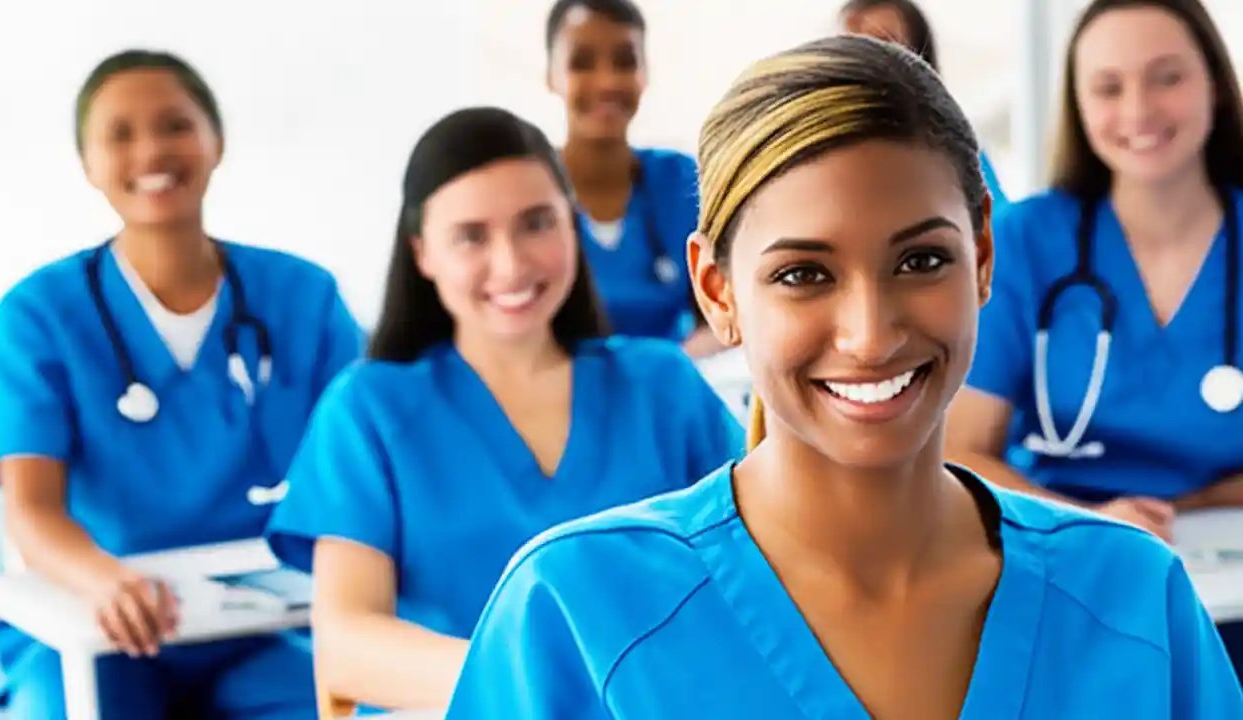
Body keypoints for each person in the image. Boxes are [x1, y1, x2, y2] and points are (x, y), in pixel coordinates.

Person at [444, 35, 1242, 719]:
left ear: (984, 259)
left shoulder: (1136, 601)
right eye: (802, 275)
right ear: (717, 291)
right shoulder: (574, 613)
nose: (870, 335)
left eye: (922, 260)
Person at [264, 106, 744, 713]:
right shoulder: (368, 411)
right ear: (422, 253)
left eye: (537, 223)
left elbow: (758, 570)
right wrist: (549, 688)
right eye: (471, 236)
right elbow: (349, 644)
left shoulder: (662, 384)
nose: (512, 264)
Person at [0, 50, 364, 719]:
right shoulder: (38, 314)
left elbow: (357, 480)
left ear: (216, 142)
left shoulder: (306, 297)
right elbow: (31, 512)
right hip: (97, 615)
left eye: (175, 125)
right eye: (119, 133)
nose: (152, 149)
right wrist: (106, 580)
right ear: (88, 165)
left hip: (263, 627)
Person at [945, 0, 1243, 676]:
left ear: (1216, 86)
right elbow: (962, 451)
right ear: (1078, 104)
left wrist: (1179, 510)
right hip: (1062, 568)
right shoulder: (1026, 243)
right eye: (1108, 87)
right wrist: (1099, 523)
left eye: (1167, 77)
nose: (1138, 110)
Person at [544, 0, 721, 355]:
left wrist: (666, 373)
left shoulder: (682, 181)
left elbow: (723, 313)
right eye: (581, 62)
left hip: (668, 395)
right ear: (551, 75)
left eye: (625, 62)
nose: (607, 82)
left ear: (646, 72)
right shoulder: (523, 190)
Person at [837, 0, 1010, 211]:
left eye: (880, 42)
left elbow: (993, 229)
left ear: (919, 61)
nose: (858, 57)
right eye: (846, 43)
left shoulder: (957, 151)